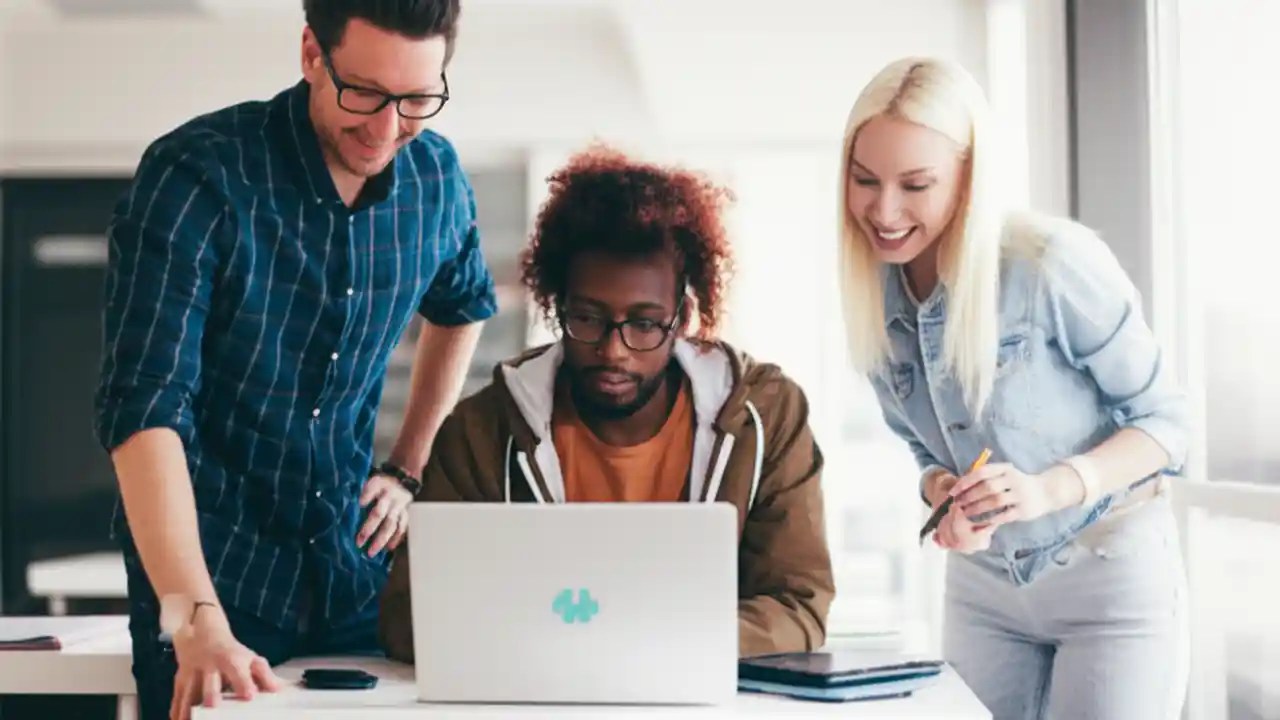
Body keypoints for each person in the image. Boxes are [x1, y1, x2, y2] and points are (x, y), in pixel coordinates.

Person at [93, 2, 497, 718]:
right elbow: (145, 404)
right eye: (364, 93)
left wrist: (408, 465)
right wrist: (193, 618)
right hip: (216, 576)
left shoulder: (434, 178)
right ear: (312, 52)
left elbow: (462, 305)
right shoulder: (198, 177)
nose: (384, 128)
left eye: (415, 101)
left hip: (352, 568)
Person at [835, 56, 1190, 719]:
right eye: (864, 180)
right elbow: (925, 450)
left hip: (1107, 577)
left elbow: (1168, 425)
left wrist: (1048, 487)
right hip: (984, 588)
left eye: (916, 185)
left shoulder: (1051, 264)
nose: (883, 211)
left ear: (968, 179)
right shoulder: (874, 293)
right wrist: (941, 491)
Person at [377, 146, 834, 660]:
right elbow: (409, 617)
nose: (612, 351)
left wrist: (651, 645)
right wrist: (563, 645)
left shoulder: (765, 418)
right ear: (556, 305)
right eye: (588, 319)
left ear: (682, 318)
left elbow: (798, 605)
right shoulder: (481, 431)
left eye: (643, 324)